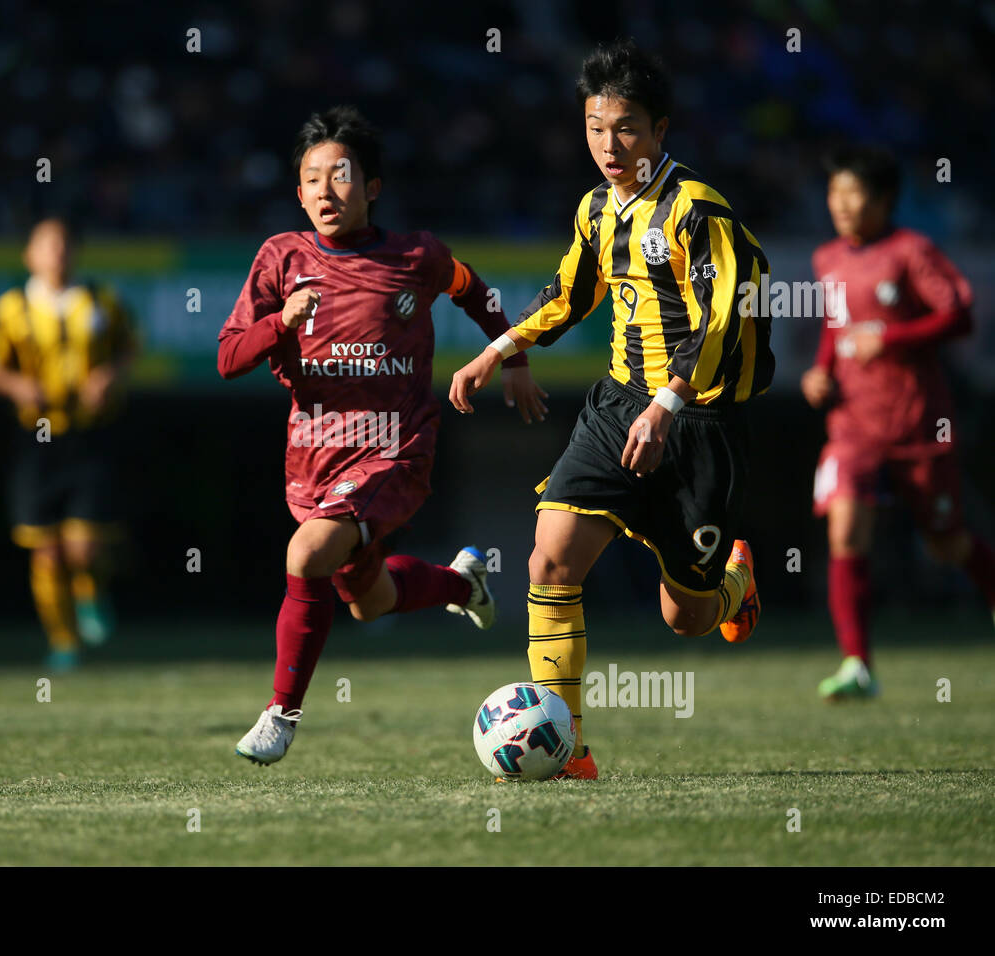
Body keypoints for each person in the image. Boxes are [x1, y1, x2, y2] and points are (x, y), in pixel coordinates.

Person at [450, 39, 773, 779]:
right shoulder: (596, 209)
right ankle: (569, 754)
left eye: (625, 127)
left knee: (685, 617)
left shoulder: (699, 213)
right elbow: (568, 296)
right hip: (618, 404)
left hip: (699, 425)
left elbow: (719, 326)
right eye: (596, 127)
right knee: (550, 558)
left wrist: (666, 408)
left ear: (660, 130)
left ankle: (732, 589)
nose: (609, 143)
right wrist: (495, 352)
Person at [218, 105, 549, 765]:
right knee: (370, 602)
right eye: (311, 178)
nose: (324, 191)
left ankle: (280, 716)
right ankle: (463, 585)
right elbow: (230, 358)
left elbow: (473, 291)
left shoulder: (416, 257)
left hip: (396, 449)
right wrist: (281, 322)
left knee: (307, 551)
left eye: (341, 176)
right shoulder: (279, 259)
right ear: (298, 191)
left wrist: (510, 357)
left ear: (373, 187)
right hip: (313, 459)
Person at [801, 145, 995, 700]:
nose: (839, 204)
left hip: (917, 422)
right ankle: (857, 665)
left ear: (884, 200)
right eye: (833, 193)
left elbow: (958, 315)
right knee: (846, 528)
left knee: (947, 544)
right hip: (853, 425)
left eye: (852, 194)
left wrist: (890, 336)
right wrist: (820, 373)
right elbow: (834, 331)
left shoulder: (912, 251)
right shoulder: (826, 259)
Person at [0, 218, 136, 672]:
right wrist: (16, 386)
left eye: (64, 245)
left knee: (84, 544)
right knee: (45, 549)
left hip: (89, 433)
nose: (57, 254)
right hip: (37, 438)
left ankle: (90, 593)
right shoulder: (10, 308)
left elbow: (129, 347)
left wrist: (109, 375)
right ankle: (64, 642)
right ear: (29, 254)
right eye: (47, 246)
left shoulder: (102, 299)